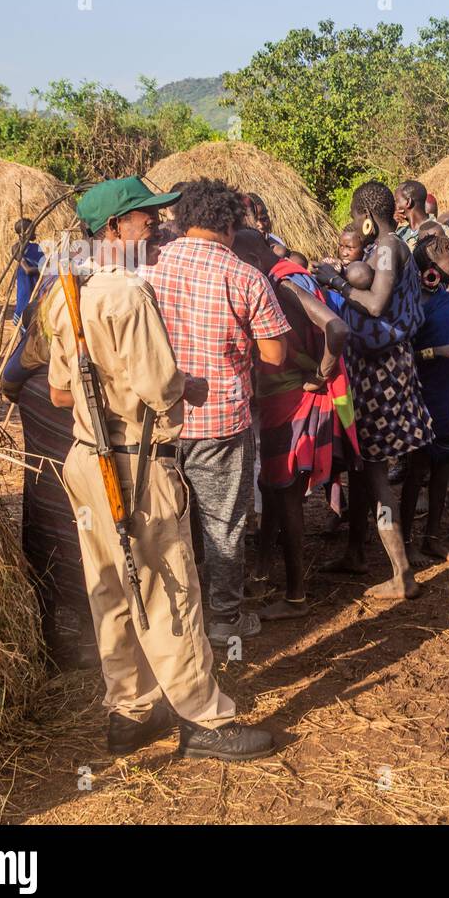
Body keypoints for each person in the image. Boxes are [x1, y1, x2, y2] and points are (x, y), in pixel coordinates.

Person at [45, 177, 273, 760]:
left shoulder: (67, 293)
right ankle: (203, 717)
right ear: (115, 229)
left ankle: (132, 708)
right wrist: (188, 384)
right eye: (143, 217)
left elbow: (60, 394)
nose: (154, 225)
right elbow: (163, 393)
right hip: (137, 465)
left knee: (113, 590)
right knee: (169, 587)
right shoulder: (127, 296)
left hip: (87, 459)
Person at [147, 178, 291, 648]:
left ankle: (173, 619)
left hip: (158, 421)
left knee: (167, 522)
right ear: (230, 224)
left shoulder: (151, 269)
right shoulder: (245, 276)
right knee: (223, 525)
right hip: (221, 422)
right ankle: (224, 619)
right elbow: (274, 355)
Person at [311, 180, 434, 600]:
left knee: (377, 470)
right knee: (364, 462)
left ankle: (402, 576)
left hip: (382, 371)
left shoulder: (385, 247)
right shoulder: (393, 245)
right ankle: (357, 552)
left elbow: (377, 304)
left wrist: (334, 282)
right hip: (378, 364)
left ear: (365, 217)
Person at [233, 228, 356, 620]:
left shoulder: (281, 286)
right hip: (279, 398)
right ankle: (264, 570)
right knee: (272, 487)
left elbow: (336, 328)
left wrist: (321, 373)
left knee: (285, 494)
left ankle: (296, 596)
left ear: (251, 258)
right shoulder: (278, 280)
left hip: (293, 398)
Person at [2, 254, 94, 669]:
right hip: (80, 475)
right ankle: (91, 637)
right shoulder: (86, 353)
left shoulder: (33, 354)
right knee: (84, 544)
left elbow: (7, 382)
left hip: (44, 477)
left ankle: (51, 635)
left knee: (45, 542)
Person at [401, 232, 449, 565]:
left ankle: (431, 537)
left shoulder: (447, 298)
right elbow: (403, 353)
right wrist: (437, 351)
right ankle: (405, 541)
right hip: (423, 394)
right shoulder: (411, 300)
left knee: (444, 468)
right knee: (416, 471)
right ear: (430, 263)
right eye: (446, 252)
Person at [11, 218, 45, 324]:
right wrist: (45, 269)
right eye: (33, 230)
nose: (35, 233)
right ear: (24, 233)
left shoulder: (36, 247)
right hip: (26, 284)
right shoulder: (16, 248)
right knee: (24, 312)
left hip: (37, 283)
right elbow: (28, 270)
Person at [393, 179, 434, 249]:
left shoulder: (438, 230)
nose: (394, 206)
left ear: (408, 202)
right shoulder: (400, 232)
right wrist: (391, 226)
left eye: (396, 201)